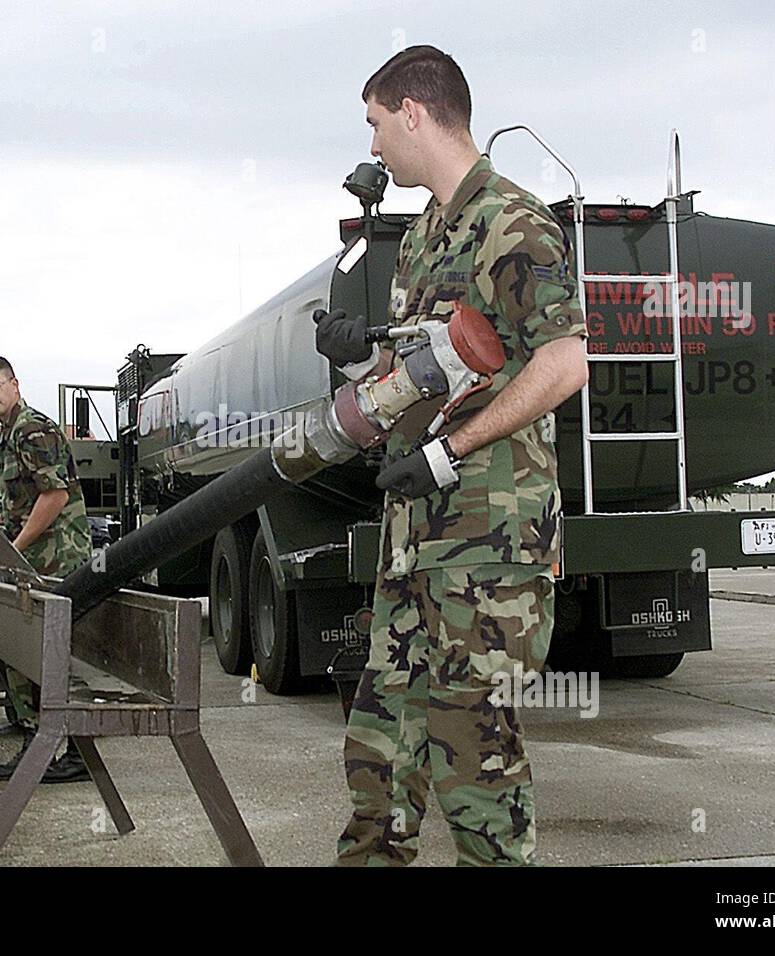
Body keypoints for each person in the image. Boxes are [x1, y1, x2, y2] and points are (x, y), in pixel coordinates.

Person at [314, 46, 589, 865]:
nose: (372, 147)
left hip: (487, 546)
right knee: (379, 751)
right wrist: (360, 356)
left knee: (474, 763)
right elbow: (430, 369)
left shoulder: (514, 220)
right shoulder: (425, 234)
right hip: (415, 542)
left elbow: (564, 362)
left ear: (412, 111)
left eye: (373, 123)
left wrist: (451, 451)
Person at [0, 355, 93, 783]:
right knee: (23, 648)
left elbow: (54, 496)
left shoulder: (33, 430)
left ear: (15, 385)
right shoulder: (8, 435)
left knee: (51, 652)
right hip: (33, 559)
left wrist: (14, 550)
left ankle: (76, 751)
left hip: (56, 557)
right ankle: (37, 741)